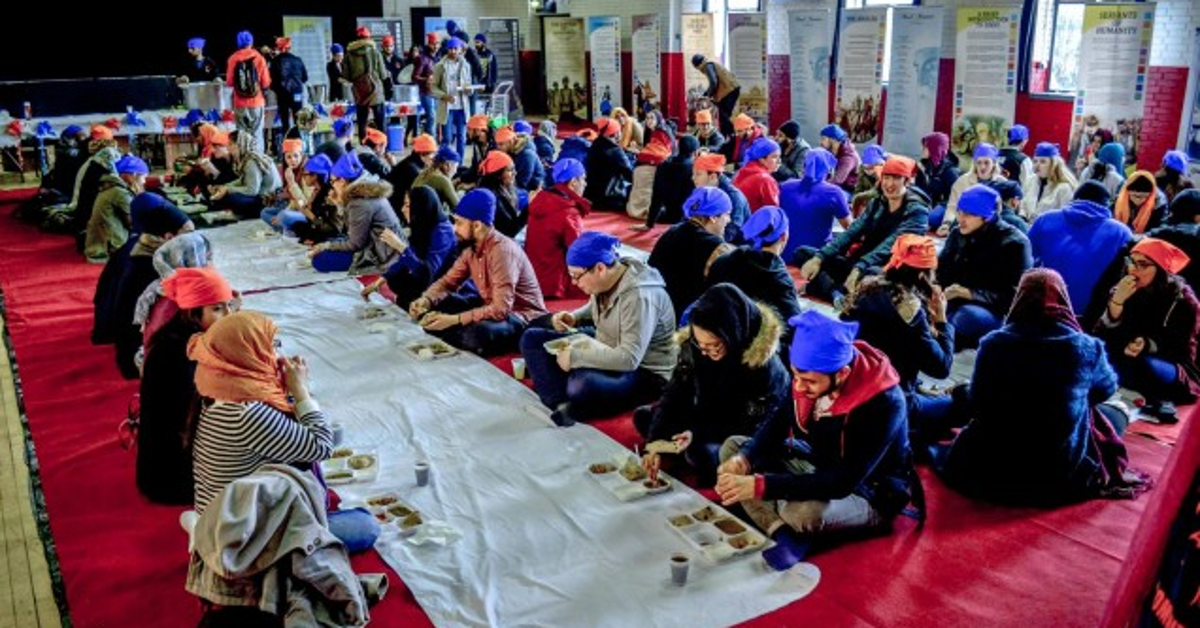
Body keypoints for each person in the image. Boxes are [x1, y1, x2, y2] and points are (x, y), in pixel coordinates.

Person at [716, 309, 918, 571]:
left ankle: (783, 516)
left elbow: (842, 481)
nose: (798, 387)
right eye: (795, 377)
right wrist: (745, 460)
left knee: (800, 513)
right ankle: (782, 532)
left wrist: (763, 487)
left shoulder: (883, 402)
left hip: (869, 490)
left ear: (842, 374)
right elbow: (776, 424)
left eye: (808, 381)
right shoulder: (809, 374)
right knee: (732, 448)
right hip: (820, 463)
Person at [938, 269, 1145, 506]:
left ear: (1020, 299)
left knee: (964, 398)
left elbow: (978, 403)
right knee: (1115, 412)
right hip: (1057, 471)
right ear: (1063, 300)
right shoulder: (1085, 346)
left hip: (993, 466)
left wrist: (962, 391)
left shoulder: (994, 343)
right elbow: (1105, 390)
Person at [637, 283, 790, 484]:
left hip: (737, 434)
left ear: (732, 334)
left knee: (699, 453)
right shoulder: (695, 348)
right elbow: (674, 393)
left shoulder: (764, 366)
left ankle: (693, 456)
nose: (705, 352)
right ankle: (678, 450)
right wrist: (654, 444)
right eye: (700, 345)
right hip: (705, 415)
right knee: (645, 418)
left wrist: (696, 432)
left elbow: (752, 426)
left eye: (713, 345)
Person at [521, 232, 677, 426]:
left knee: (582, 384)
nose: (575, 283)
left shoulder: (640, 296)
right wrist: (575, 317)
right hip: (605, 342)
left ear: (600, 268)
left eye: (577, 277)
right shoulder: (612, 275)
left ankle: (566, 395)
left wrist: (576, 357)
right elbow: (597, 302)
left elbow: (628, 359)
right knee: (532, 338)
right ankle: (562, 402)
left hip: (644, 373)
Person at [188, 311, 333, 515]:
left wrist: (286, 388)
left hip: (221, 517)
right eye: (271, 346)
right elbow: (322, 446)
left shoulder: (217, 388)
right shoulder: (246, 413)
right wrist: (301, 391)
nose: (276, 355)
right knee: (365, 526)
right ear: (249, 353)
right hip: (248, 532)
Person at [842, 234, 958, 447]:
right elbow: (941, 368)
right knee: (965, 399)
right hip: (892, 402)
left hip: (854, 392)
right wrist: (942, 322)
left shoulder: (867, 286)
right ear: (924, 274)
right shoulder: (909, 309)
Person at [137, 267, 238, 505]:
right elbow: (206, 417)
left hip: (162, 472)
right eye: (217, 308)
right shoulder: (179, 353)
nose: (228, 314)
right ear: (193, 313)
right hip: (174, 479)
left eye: (229, 305)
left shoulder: (180, 336)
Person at [410, 189, 549, 356]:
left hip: (520, 318)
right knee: (441, 304)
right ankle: (453, 333)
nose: (455, 229)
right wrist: (426, 299)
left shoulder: (502, 251)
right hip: (490, 307)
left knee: (477, 333)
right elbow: (448, 282)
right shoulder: (471, 249)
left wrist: (453, 320)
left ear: (477, 225)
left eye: (460, 223)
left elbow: (500, 309)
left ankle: (454, 333)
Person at [796, 156, 930, 306]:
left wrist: (861, 267)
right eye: (886, 178)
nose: (889, 184)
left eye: (896, 179)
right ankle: (836, 293)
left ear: (906, 181)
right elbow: (852, 231)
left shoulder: (918, 212)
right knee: (803, 253)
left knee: (872, 276)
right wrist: (819, 257)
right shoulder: (877, 203)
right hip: (857, 263)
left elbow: (890, 245)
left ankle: (824, 288)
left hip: (882, 269)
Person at [1093, 238, 1199, 422]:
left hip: (1169, 361)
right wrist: (1117, 303)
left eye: (1142, 264)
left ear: (1160, 269)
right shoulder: (1122, 290)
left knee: (1145, 365)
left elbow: (1182, 346)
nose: (1133, 269)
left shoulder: (1182, 301)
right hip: (1126, 353)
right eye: (1131, 261)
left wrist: (1147, 344)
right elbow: (1100, 335)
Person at [936, 184, 1033, 349]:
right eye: (959, 212)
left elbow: (1016, 298)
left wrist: (971, 294)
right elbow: (941, 270)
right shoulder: (958, 233)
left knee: (964, 317)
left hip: (991, 310)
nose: (960, 219)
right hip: (952, 298)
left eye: (968, 215)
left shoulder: (1015, 244)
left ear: (987, 217)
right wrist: (934, 289)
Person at [111, 195, 196, 379]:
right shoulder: (153, 267)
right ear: (169, 237)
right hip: (140, 354)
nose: (193, 240)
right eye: (188, 234)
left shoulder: (147, 251)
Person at [1028, 181, 1133, 320]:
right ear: (1106, 204)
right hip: (1093, 314)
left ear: (1074, 198)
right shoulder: (1121, 232)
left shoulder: (1045, 219)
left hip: (1044, 308)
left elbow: (1025, 262)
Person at [707, 206, 803, 346]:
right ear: (783, 236)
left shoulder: (724, 261)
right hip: (756, 351)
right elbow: (793, 327)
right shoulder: (777, 277)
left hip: (718, 338)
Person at [361, 186, 457, 309]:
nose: (402, 209)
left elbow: (428, 274)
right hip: (427, 279)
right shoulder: (423, 223)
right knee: (395, 278)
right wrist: (378, 283)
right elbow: (408, 257)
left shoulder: (443, 232)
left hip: (442, 284)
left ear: (419, 207)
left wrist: (400, 246)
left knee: (409, 295)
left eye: (407, 205)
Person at [649, 186, 736, 320]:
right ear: (713, 217)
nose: (729, 220)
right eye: (727, 214)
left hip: (654, 310)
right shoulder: (717, 248)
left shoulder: (672, 231)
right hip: (684, 320)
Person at [310, 152, 402, 275]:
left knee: (320, 260)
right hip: (380, 246)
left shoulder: (359, 202)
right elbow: (352, 232)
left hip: (381, 254)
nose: (332, 186)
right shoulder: (366, 190)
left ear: (342, 180)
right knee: (332, 241)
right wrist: (340, 204)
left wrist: (325, 246)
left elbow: (355, 244)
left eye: (333, 181)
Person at [525, 158, 591, 299]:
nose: (585, 184)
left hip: (532, 278)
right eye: (583, 179)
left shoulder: (542, 200)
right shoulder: (567, 211)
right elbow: (578, 251)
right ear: (573, 182)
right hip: (553, 285)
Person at [778, 148, 851, 262]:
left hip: (784, 256)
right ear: (827, 169)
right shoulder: (834, 193)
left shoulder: (785, 186)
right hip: (814, 258)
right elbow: (849, 227)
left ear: (804, 166)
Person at [85, 155, 147, 263]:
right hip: (109, 248)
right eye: (143, 177)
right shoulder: (119, 192)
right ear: (133, 175)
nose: (144, 181)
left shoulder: (113, 187)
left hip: (101, 243)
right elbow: (134, 223)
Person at [208, 130, 282, 219]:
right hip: (258, 195)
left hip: (268, 199)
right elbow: (243, 179)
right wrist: (223, 187)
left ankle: (252, 213)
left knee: (231, 198)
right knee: (224, 195)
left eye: (231, 144)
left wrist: (228, 189)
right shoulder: (245, 158)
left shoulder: (251, 161)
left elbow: (252, 190)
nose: (228, 147)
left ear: (240, 145)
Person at [938, 142, 1005, 235]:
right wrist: (946, 224)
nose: (982, 167)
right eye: (979, 162)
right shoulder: (962, 181)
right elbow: (953, 206)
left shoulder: (1003, 183)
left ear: (994, 163)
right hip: (968, 222)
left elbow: (1006, 212)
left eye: (986, 163)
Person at [225, 31, 271, 153]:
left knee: (242, 135)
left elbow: (229, 82)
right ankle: (258, 161)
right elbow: (266, 83)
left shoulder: (232, 58)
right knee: (257, 134)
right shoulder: (259, 58)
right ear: (251, 42)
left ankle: (244, 163)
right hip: (256, 102)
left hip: (239, 103)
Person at [1147, 189, 1200, 293]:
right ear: (1197, 217)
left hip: (1156, 296)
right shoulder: (1195, 237)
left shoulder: (1154, 236)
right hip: (1192, 300)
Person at [642, 135, 699, 230]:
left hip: (668, 214)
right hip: (687, 218)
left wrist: (649, 223)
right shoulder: (695, 169)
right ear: (696, 152)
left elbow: (657, 195)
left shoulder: (663, 165)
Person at [691, 151, 751, 242]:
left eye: (698, 174)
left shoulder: (733, 197)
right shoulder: (703, 191)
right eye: (693, 174)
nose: (693, 178)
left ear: (713, 177)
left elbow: (731, 232)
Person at [344, 27, 388, 145]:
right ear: (369, 37)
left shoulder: (349, 54)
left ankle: (364, 146)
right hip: (376, 91)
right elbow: (383, 74)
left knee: (362, 122)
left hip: (360, 92)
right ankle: (383, 146)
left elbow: (346, 75)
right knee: (380, 121)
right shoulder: (375, 52)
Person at [432, 37, 473, 158]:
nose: (453, 51)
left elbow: (469, 85)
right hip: (447, 107)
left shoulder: (466, 65)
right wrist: (444, 96)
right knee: (447, 138)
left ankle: (459, 164)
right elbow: (433, 87)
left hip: (462, 107)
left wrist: (469, 89)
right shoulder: (440, 66)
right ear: (447, 50)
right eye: (450, 49)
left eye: (456, 49)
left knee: (462, 137)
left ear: (460, 50)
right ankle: (444, 163)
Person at [290, 154, 344, 245]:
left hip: (330, 230)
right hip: (317, 226)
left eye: (305, 175)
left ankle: (314, 240)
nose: (303, 178)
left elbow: (328, 225)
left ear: (315, 175)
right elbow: (307, 208)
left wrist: (309, 214)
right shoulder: (316, 190)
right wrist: (304, 207)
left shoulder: (328, 193)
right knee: (296, 226)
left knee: (311, 234)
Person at [583, 117, 633, 212]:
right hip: (611, 199)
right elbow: (630, 175)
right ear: (617, 133)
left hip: (591, 197)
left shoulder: (594, 146)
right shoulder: (616, 151)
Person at [476, 150, 527, 238]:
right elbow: (509, 232)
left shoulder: (503, 187)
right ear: (498, 175)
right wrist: (528, 210)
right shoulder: (492, 198)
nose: (515, 173)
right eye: (510, 170)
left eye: (514, 169)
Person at [268, 37, 308, 146]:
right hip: (297, 94)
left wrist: (277, 89)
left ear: (278, 48)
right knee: (298, 120)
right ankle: (300, 145)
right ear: (289, 47)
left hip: (282, 95)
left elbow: (271, 80)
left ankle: (288, 145)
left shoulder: (275, 61)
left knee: (285, 122)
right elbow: (305, 78)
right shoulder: (298, 60)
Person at [691, 54, 741, 137]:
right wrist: (706, 94)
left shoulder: (707, 66)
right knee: (724, 116)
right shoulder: (710, 64)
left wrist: (708, 96)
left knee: (723, 116)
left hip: (729, 91)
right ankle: (726, 136)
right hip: (731, 89)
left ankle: (733, 134)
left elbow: (714, 82)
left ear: (697, 66)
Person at [1025, 142, 1078, 219]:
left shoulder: (1064, 188)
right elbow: (1023, 204)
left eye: (1043, 162)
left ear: (1053, 165)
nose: (1037, 165)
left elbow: (1067, 217)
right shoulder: (1030, 181)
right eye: (1035, 161)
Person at [387, 133, 437, 213]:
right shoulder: (412, 170)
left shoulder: (411, 162)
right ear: (422, 154)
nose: (434, 157)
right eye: (432, 153)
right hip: (398, 209)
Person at [914, 132, 960, 215]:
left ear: (934, 148)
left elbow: (954, 197)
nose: (922, 150)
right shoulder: (924, 167)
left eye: (925, 147)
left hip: (943, 210)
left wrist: (939, 208)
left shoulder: (950, 171)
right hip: (924, 206)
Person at [733, 138, 782, 212]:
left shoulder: (745, 170)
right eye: (774, 157)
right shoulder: (765, 180)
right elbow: (774, 212)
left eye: (779, 156)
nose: (779, 161)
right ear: (761, 159)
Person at [1111, 171, 1167, 235]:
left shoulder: (1158, 206)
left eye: (1145, 197)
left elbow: (1158, 229)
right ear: (1128, 193)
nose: (1140, 200)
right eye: (1136, 196)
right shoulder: (1117, 203)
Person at [413, 145, 461, 212]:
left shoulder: (425, 172)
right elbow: (458, 208)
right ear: (447, 165)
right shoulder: (442, 180)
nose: (456, 171)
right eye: (456, 167)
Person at [498, 124, 544, 193]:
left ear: (510, 142)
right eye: (497, 144)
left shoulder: (527, 155)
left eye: (501, 144)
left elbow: (522, 183)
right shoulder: (510, 150)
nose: (498, 148)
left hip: (532, 188)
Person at [819, 124, 860, 193]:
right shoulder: (833, 152)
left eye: (823, 139)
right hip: (837, 186)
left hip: (848, 190)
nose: (821, 142)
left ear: (833, 140)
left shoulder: (848, 158)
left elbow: (837, 180)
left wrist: (818, 187)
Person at [998, 124, 1037, 198]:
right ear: (1024, 141)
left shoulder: (995, 155)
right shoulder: (1023, 159)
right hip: (1013, 202)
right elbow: (1028, 185)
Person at [414, 35, 439, 137]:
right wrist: (426, 79)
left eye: (437, 44)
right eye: (434, 44)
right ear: (429, 44)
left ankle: (429, 136)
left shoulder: (438, 57)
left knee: (435, 117)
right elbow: (414, 77)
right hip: (426, 92)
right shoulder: (422, 58)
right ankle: (431, 139)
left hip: (436, 92)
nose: (436, 46)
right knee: (432, 116)